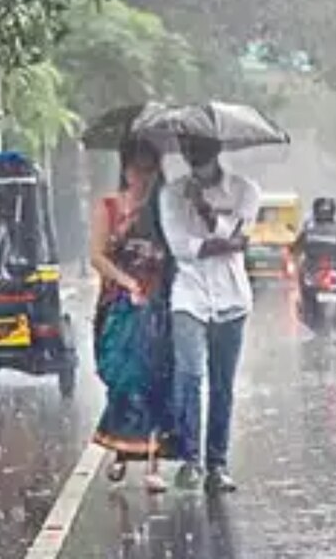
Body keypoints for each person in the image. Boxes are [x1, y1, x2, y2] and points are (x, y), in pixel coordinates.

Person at [159, 136, 260, 493]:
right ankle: (191, 459)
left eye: (200, 148)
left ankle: (217, 464)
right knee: (189, 374)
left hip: (232, 298)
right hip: (189, 295)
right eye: (187, 149)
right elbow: (181, 248)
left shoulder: (245, 190)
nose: (192, 156)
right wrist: (224, 240)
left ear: (217, 149)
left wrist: (206, 212)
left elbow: (241, 240)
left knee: (222, 384)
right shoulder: (171, 194)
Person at [89, 137, 176, 494]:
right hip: (119, 308)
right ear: (125, 170)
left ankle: (153, 460)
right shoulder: (108, 207)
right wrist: (128, 284)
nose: (142, 176)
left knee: (157, 380)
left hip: (159, 307)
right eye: (136, 168)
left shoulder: (165, 210)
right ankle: (122, 451)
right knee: (124, 380)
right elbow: (97, 256)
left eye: (149, 169)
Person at [291, 197, 336, 326]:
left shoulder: (309, 228)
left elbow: (295, 249)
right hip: (332, 273)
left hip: (313, 273)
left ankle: (308, 310)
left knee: (304, 286)